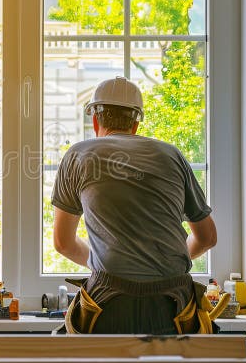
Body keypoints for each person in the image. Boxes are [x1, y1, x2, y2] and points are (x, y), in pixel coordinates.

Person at [51, 77, 217, 334]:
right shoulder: (171, 155)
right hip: (174, 304)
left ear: (95, 120)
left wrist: (104, 262)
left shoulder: (78, 155)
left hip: (107, 301)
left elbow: (63, 243)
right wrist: (160, 259)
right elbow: (206, 238)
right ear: (136, 123)